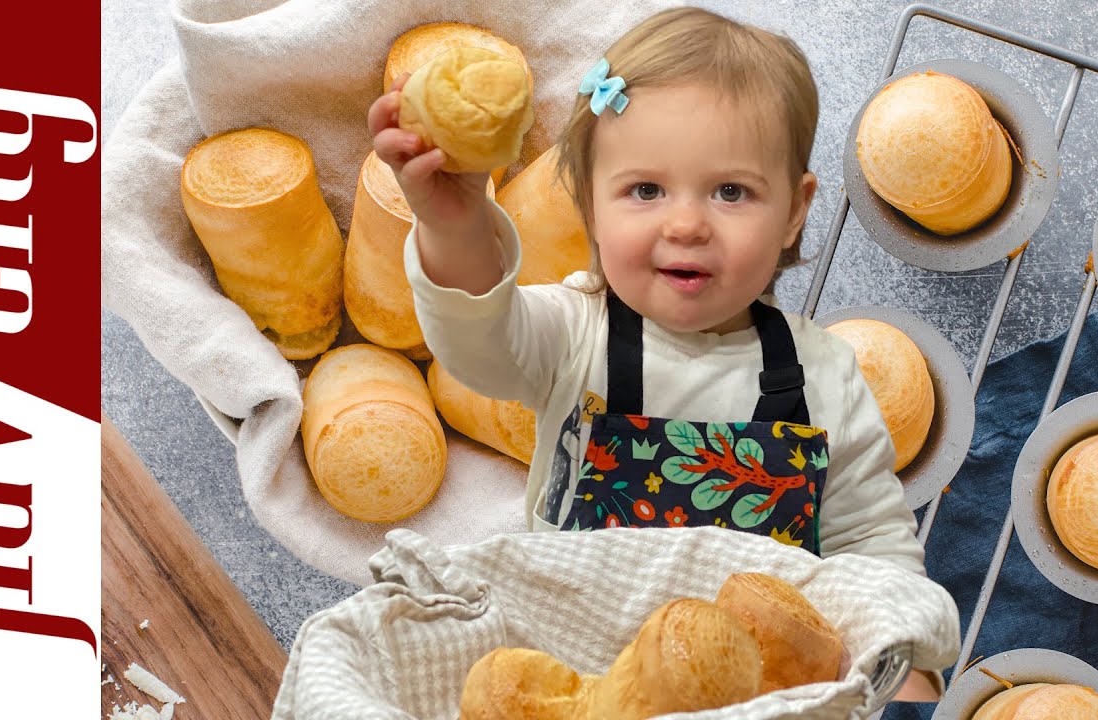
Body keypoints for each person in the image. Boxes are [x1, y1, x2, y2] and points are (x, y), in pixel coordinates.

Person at [368, 8, 925, 578]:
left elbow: (874, 543)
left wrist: (904, 654)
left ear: (793, 212)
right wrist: (455, 225)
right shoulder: (574, 334)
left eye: (731, 191)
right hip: (571, 657)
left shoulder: (826, 376)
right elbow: (478, 345)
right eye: (646, 189)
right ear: (589, 205)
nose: (685, 225)